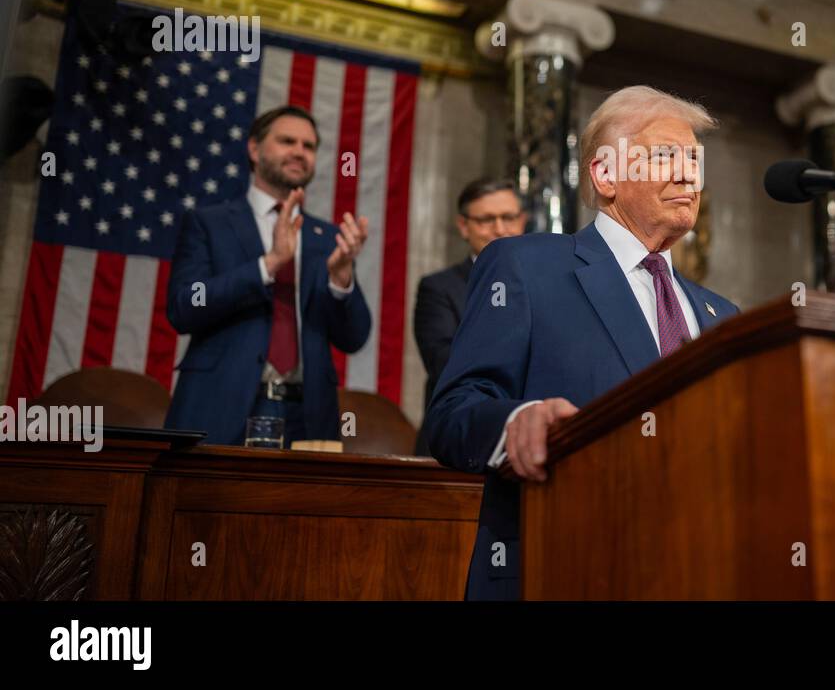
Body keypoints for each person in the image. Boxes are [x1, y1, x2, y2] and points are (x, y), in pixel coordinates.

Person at [422, 86, 740, 600]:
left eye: (693, 161)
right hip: (564, 568)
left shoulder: (722, 315)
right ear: (606, 174)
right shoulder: (524, 268)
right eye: (664, 156)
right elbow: (452, 413)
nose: (688, 176)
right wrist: (515, 423)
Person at [165, 105, 371, 445]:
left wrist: (340, 280)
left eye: (308, 146)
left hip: (307, 418)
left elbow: (355, 337)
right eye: (287, 141)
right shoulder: (210, 223)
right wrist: (269, 263)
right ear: (254, 149)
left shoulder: (327, 237)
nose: (299, 152)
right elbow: (184, 307)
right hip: (220, 407)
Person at [412, 177, 524, 454]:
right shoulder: (438, 288)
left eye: (509, 217)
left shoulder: (547, 284)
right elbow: (446, 366)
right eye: (486, 219)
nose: (500, 229)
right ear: (464, 226)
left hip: (529, 443)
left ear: (523, 221)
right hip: (457, 444)